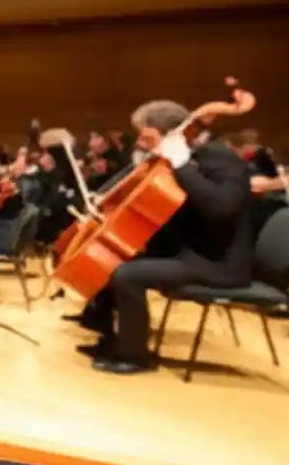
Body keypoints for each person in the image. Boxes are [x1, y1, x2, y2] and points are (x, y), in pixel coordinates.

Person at [85, 100, 254, 374]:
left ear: (174, 134)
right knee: (114, 256)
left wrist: (183, 165)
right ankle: (113, 337)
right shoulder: (174, 162)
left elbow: (221, 208)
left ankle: (134, 355)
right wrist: (108, 204)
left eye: (147, 136)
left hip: (218, 263)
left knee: (127, 275)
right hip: (189, 252)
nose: (140, 142)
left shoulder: (220, 159)